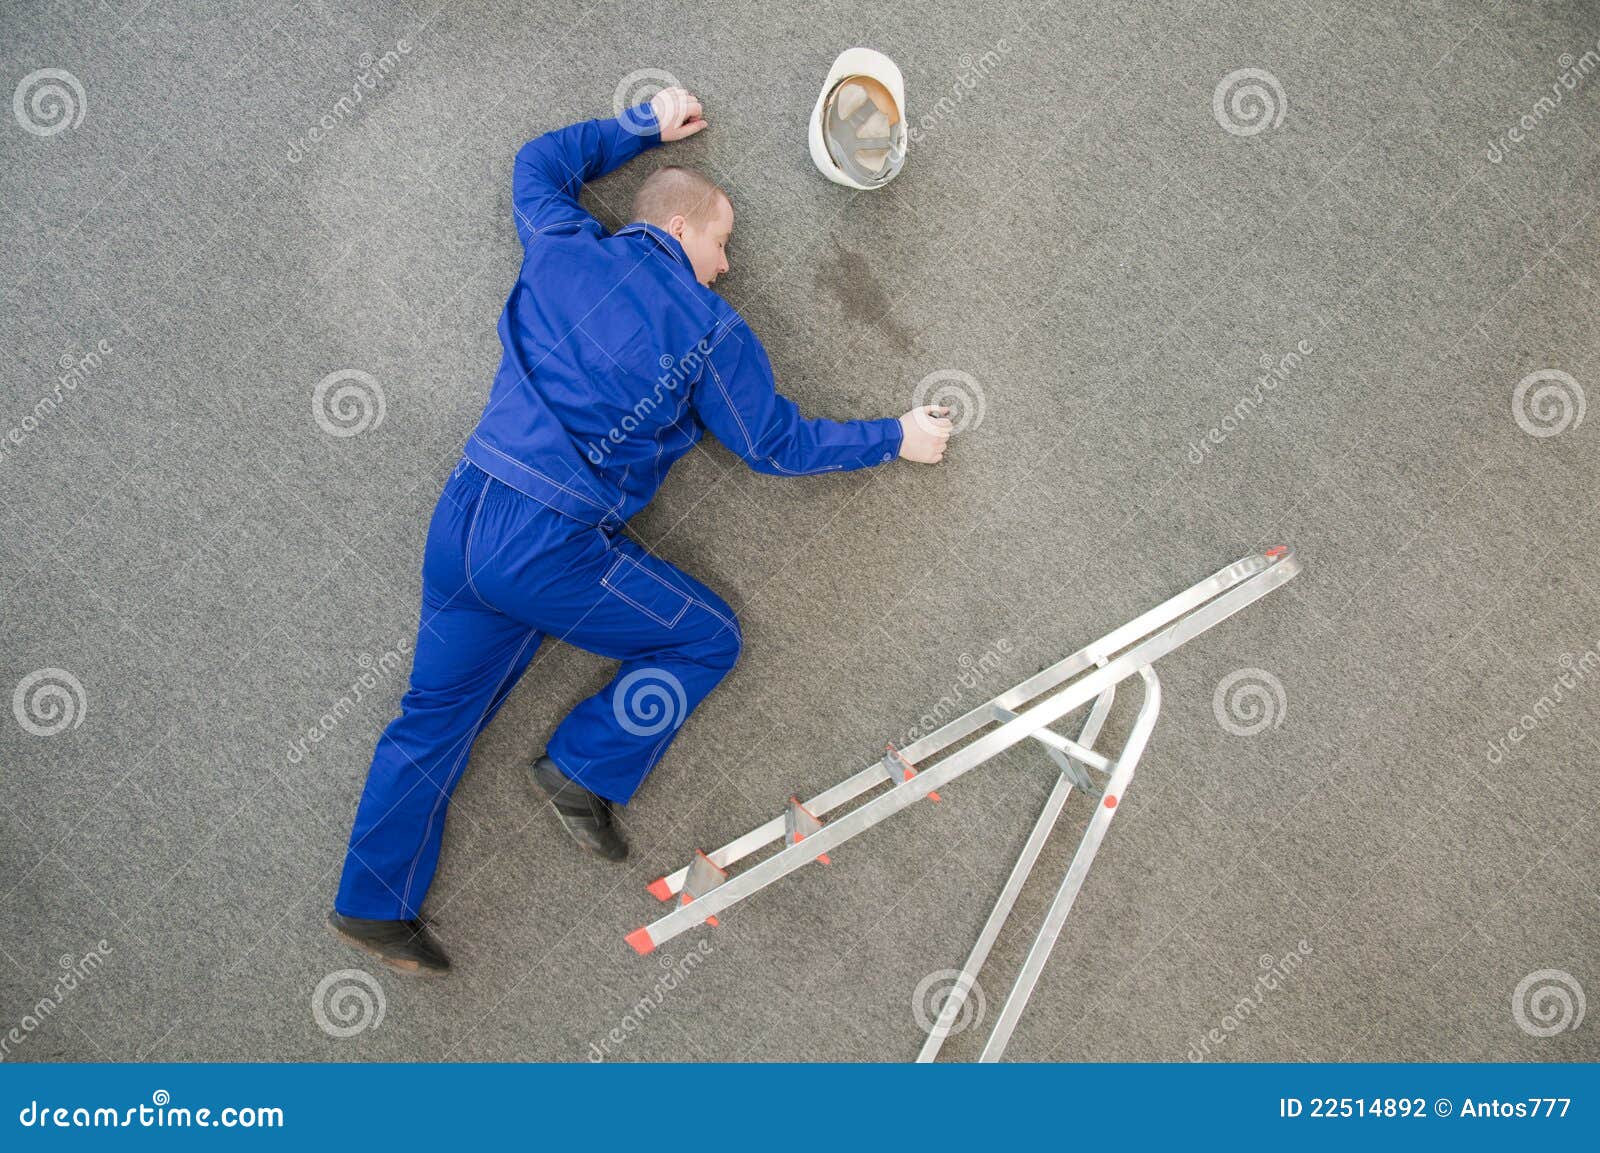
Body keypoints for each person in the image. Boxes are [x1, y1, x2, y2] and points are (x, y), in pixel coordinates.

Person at [327, 87, 953, 975]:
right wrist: (897, 435)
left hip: (466, 508)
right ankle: (581, 766)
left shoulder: (561, 245)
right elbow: (774, 444)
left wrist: (638, 126)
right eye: (724, 242)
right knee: (708, 636)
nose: (728, 266)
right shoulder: (708, 329)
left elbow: (535, 164)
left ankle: (370, 905)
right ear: (688, 230)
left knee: (430, 719)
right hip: (549, 545)